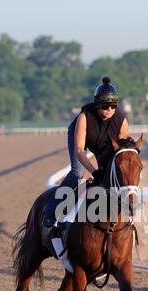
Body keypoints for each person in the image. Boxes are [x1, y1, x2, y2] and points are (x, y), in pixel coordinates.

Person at [43, 77, 129, 271]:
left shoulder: (121, 121)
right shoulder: (84, 117)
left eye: (113, 105)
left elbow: (120, 152)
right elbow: (81, 151)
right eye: (105, 105)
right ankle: (50, 214)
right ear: (97, 104)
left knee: (110, 177)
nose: (109, 109)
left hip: (104, 145)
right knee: (76, 174)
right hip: (81, 138)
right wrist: (94, 171)